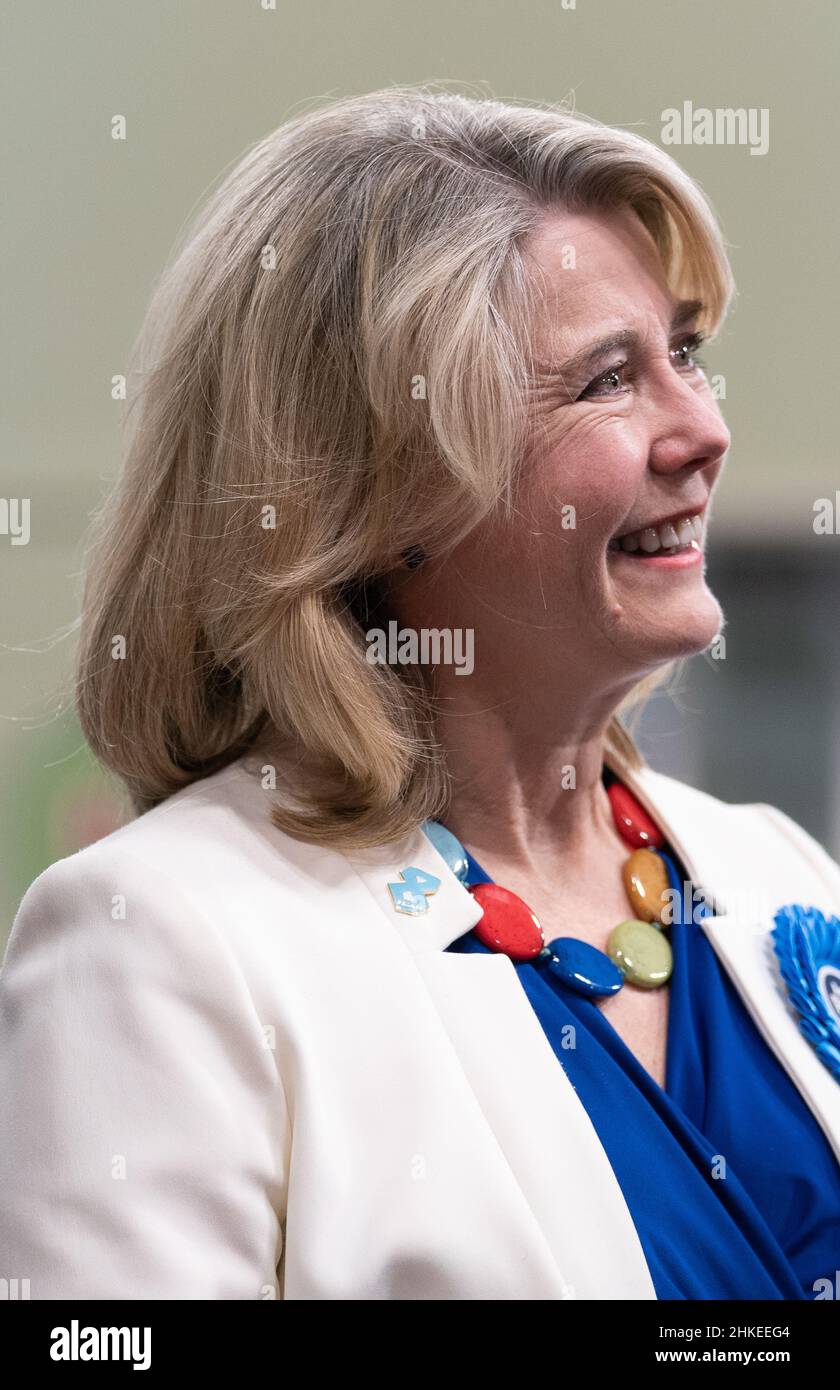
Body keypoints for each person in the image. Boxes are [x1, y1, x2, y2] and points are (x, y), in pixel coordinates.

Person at [1, 86, 838, 1301]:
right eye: (609, 380)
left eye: (686, 356)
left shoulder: (775, 872)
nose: (700, 428)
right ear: (380, 491)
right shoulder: (166, 943)